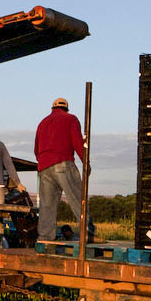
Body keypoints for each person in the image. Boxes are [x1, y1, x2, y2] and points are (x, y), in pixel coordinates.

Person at [34, 97, 86, 240]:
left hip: (44, 167)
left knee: (46, 206)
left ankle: (45, 238)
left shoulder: (42, 123)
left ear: (52, 108)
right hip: (62, 162)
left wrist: (43, 162)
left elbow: (36, 149)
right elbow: (77, 142)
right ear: (67, 108)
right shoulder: (71, 119)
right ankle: (87, 233)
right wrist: (86, 162)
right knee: (77, 199)